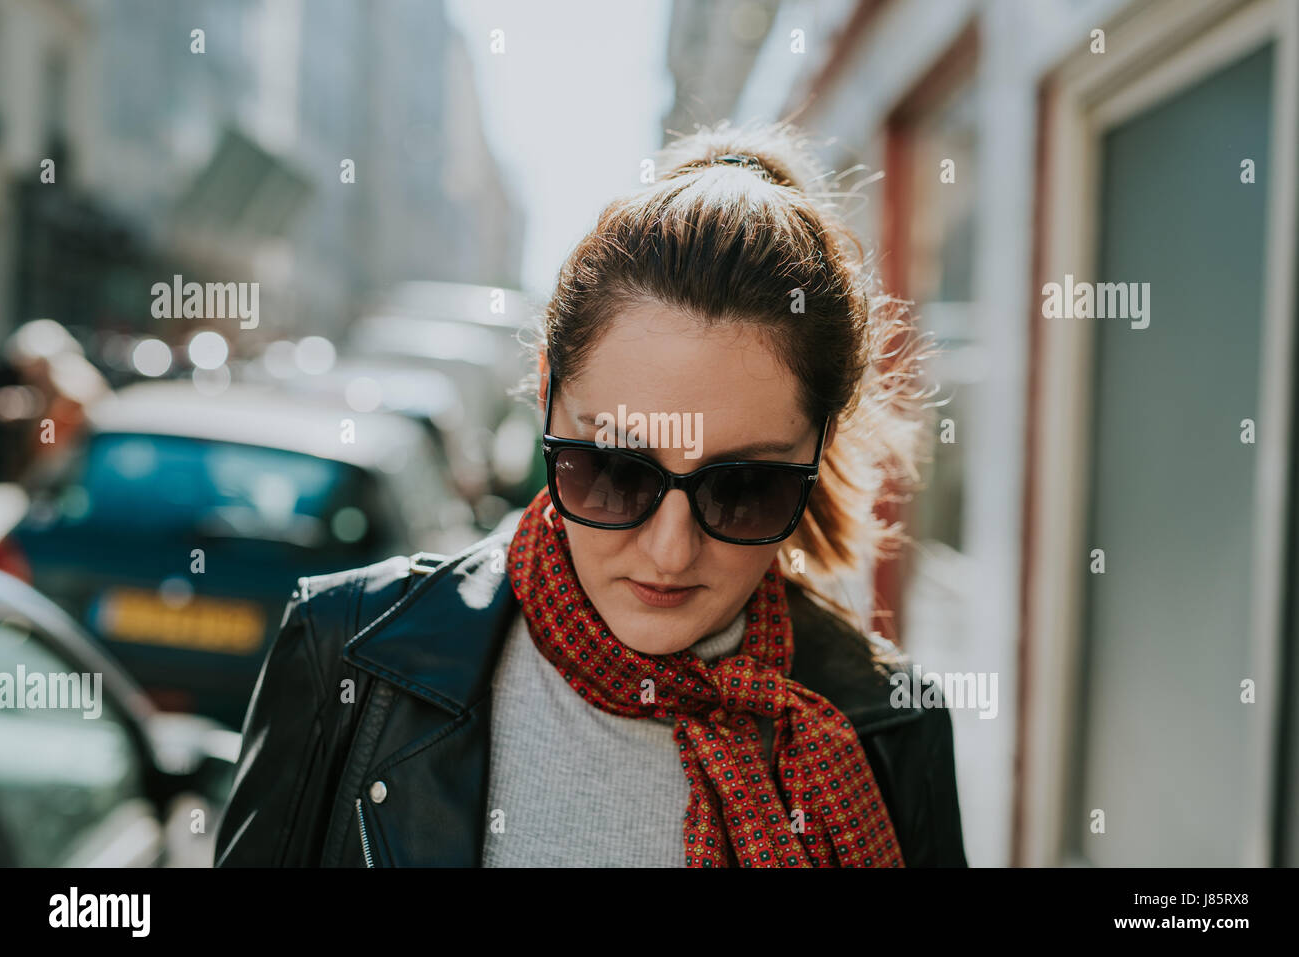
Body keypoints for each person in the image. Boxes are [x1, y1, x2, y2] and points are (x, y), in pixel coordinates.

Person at [214, 120, 967, 868]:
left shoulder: (888, 725)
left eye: (744, 487)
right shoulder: (344, 656)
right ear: (545, 393)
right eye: (615, 469)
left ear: (820, 444)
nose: (670, 550)